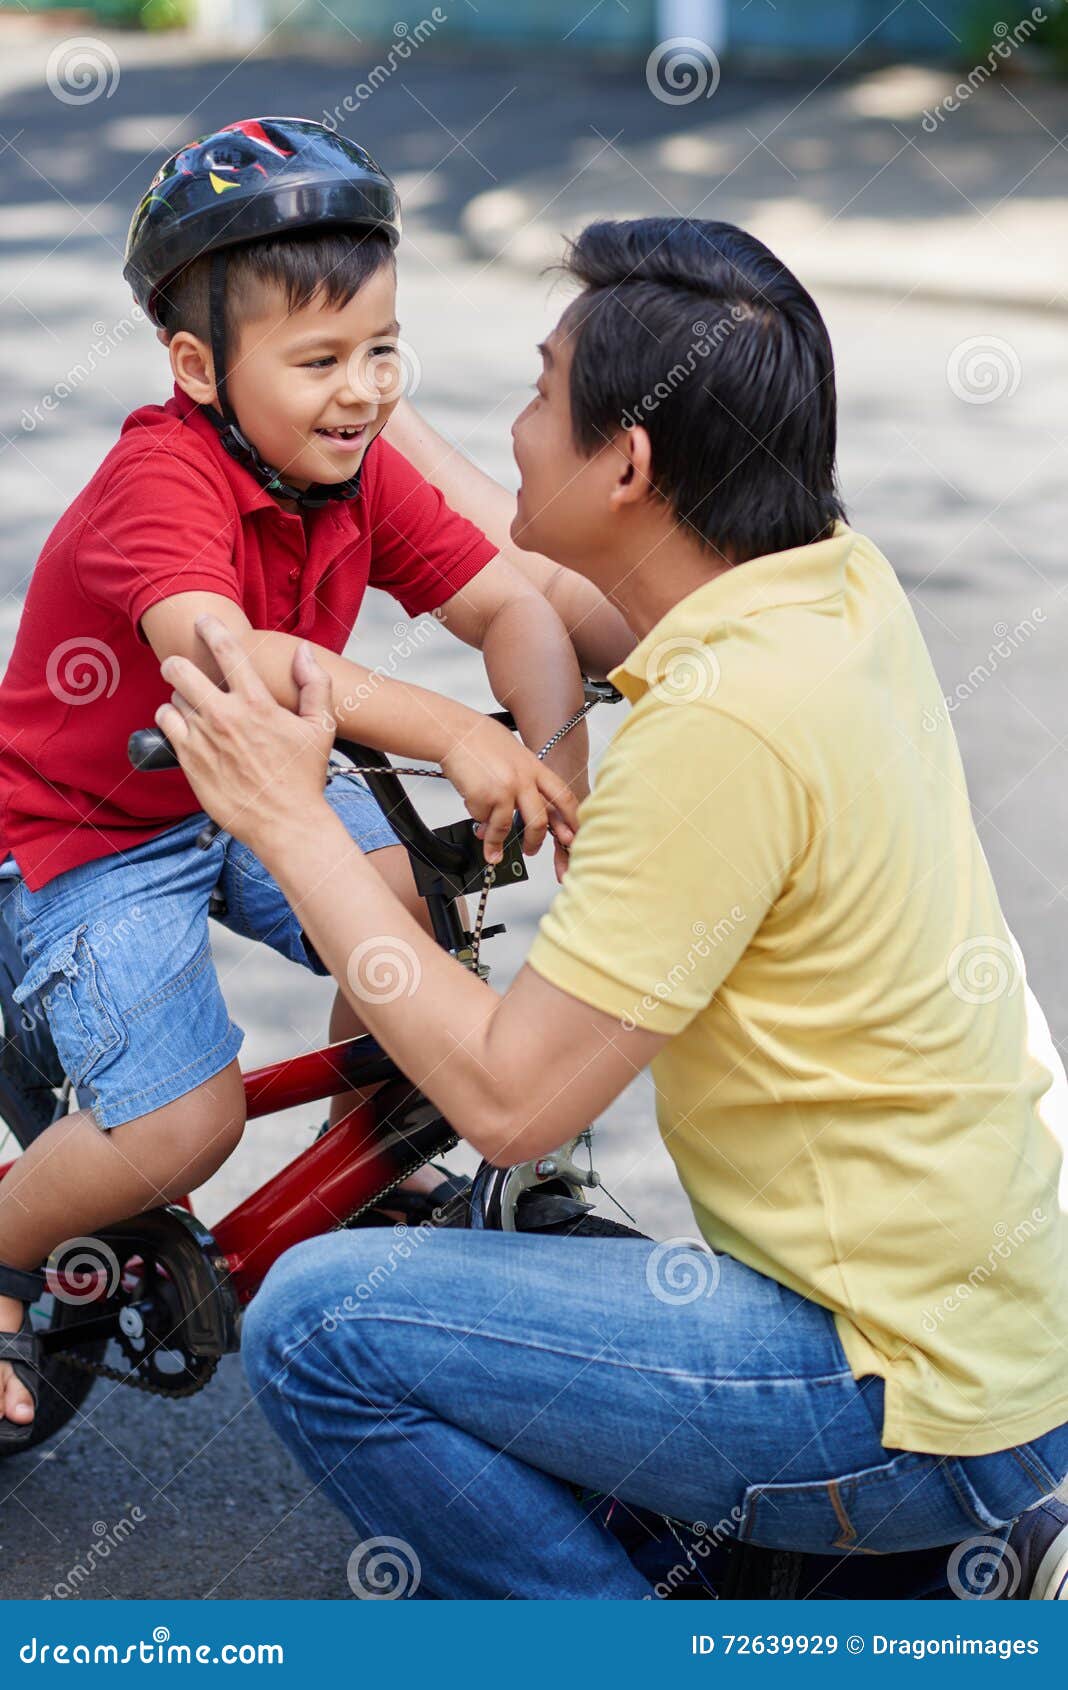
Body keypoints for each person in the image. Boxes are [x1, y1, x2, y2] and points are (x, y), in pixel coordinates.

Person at [52, 216, 1068, 1600]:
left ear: (632, 464)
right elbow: (507, 551)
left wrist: (292, 823)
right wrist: (328, 399)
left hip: (889, 1390)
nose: (512, 423)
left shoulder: (723, 732)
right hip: (995, 1337)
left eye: (540, 394)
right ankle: (812, 1562)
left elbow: (510, 1104)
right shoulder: (824, 585)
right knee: (509, 1243)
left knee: (317, 1321)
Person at [0, 117, 636, 1446]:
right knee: (183, 1125)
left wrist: (554, 765)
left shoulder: (354, 464)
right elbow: (236, 661)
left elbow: (510, 610)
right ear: (198, 366)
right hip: (90, 833)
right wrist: (456, 736)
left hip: (242, 790)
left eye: (382, 349)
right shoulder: (158, 481)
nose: (364, 392)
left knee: (421, 894)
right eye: (320, 361)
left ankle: (376, 1171)